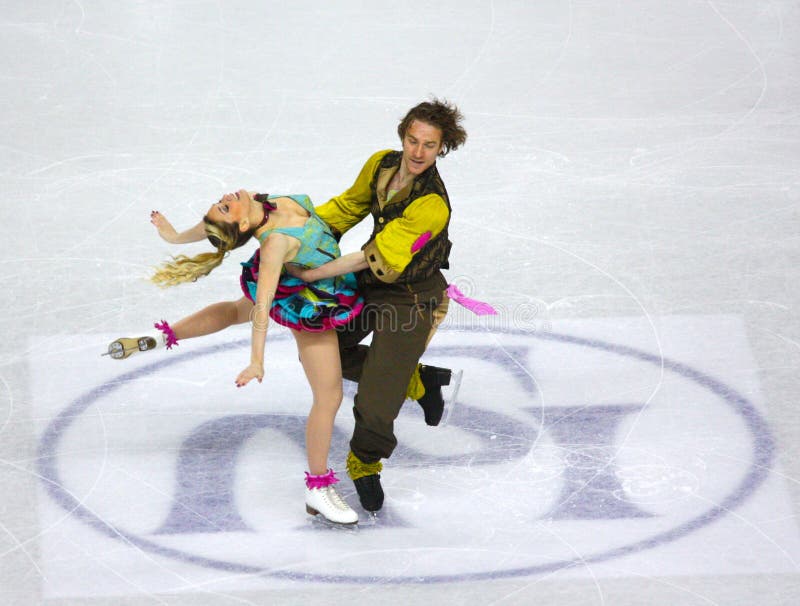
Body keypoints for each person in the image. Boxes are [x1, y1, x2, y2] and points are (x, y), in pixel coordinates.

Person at [110, 190, 365, 525]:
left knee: (233, 311)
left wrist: (173, 237)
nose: (224, 198)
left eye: (220, 204)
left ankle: (164, 336)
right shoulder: (274, 244)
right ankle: (317, 488)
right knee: (328, 397)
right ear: (244, 222)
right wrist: (257, 360)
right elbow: (262, 309)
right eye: (225, 207)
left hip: (298, 278)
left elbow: (212, 228)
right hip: (307, 302)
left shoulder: (265, 203)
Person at [291, 98, 468, 513]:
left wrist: (315, 273)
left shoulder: (432, 205)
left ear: (442, 148)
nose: (418, 152)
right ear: (402, 135)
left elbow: (373, 254)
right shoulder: (381, 165)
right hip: (373, 285)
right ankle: (417, 382)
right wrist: (305, 232)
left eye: (429, 145)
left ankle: (365, 463)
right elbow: (348, 206)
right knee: (326, 347)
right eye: (412, 140)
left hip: (412, 298)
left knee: (373, 402)